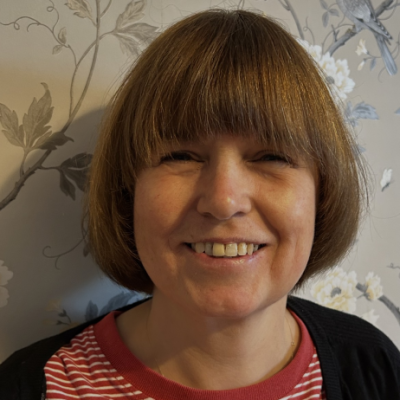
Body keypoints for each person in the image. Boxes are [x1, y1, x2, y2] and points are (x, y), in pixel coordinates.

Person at [1, 8, 400, 400]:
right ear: (128, 190)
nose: (224, 201)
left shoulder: (375, 366)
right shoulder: (29, 387)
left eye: (271, 157)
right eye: (180, 156)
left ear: (322, 192)